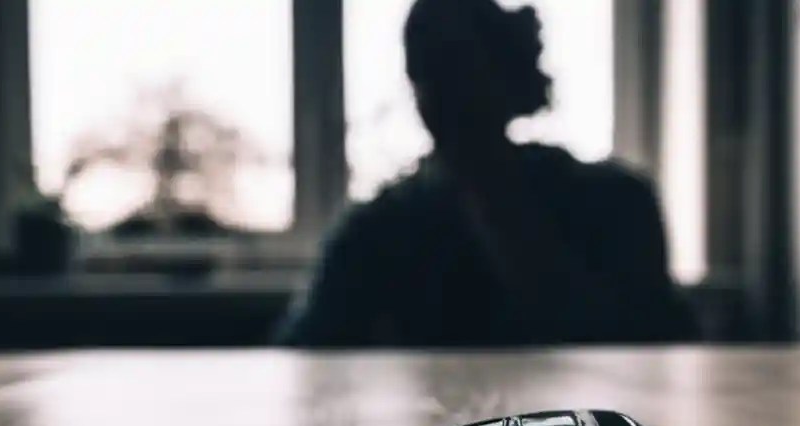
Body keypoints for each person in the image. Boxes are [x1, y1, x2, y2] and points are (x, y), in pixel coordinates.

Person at [278, 0, 697, 347]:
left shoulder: (616, 203)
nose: (448, 90)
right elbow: (304, 355)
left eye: (464, 64)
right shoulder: (375, 229)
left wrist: (491, 192)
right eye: (431, 67)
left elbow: (656, 343)